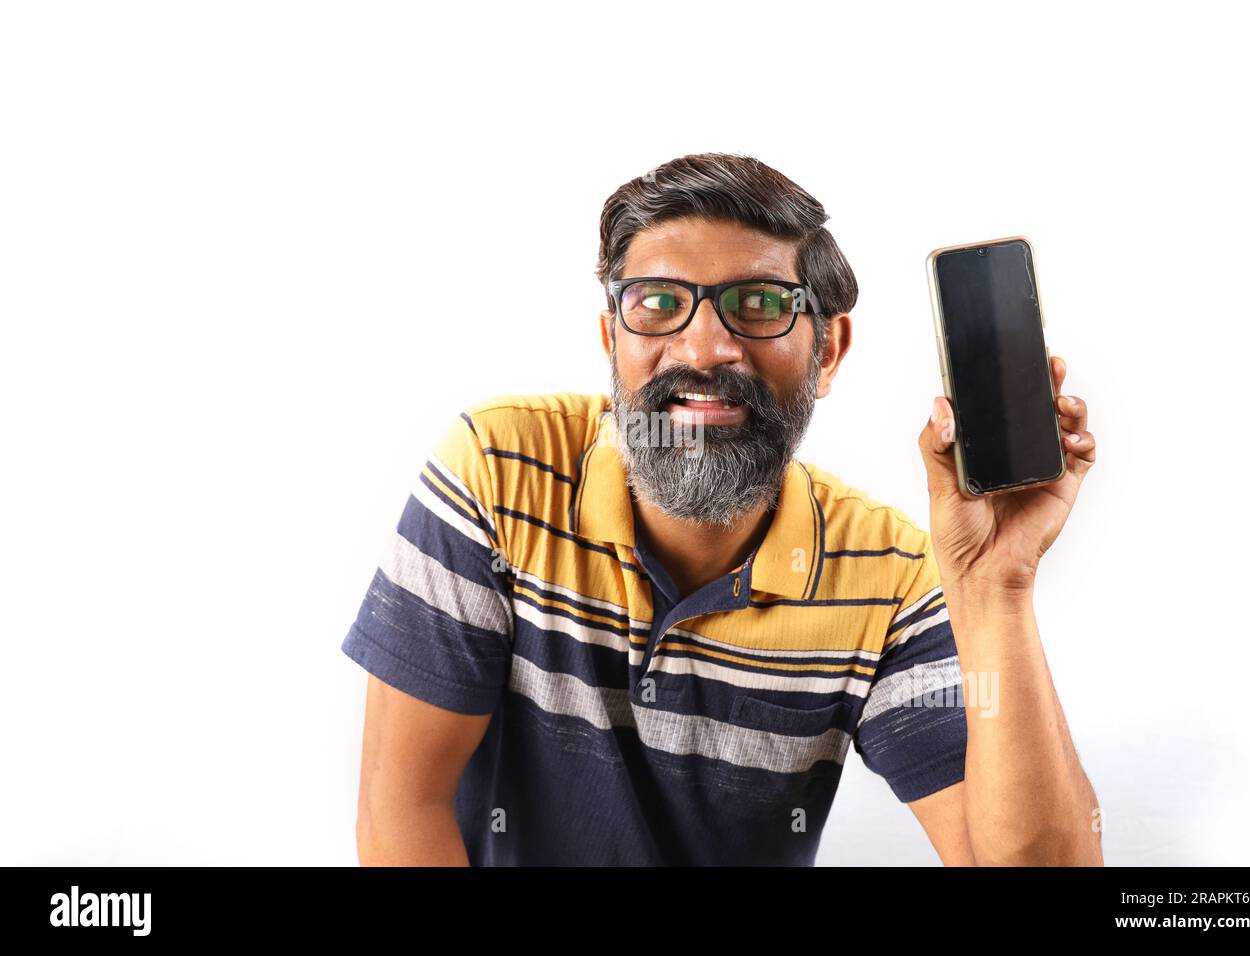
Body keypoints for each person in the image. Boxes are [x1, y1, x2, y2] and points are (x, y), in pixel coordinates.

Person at [340, 152, 1102, 866]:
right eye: (660, 303)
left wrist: (993, 586)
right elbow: (401, 805)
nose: (705, 349)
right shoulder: (502, 470)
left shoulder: (891, 579)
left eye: (762, 304)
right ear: (613, 339)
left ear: (828, 350)